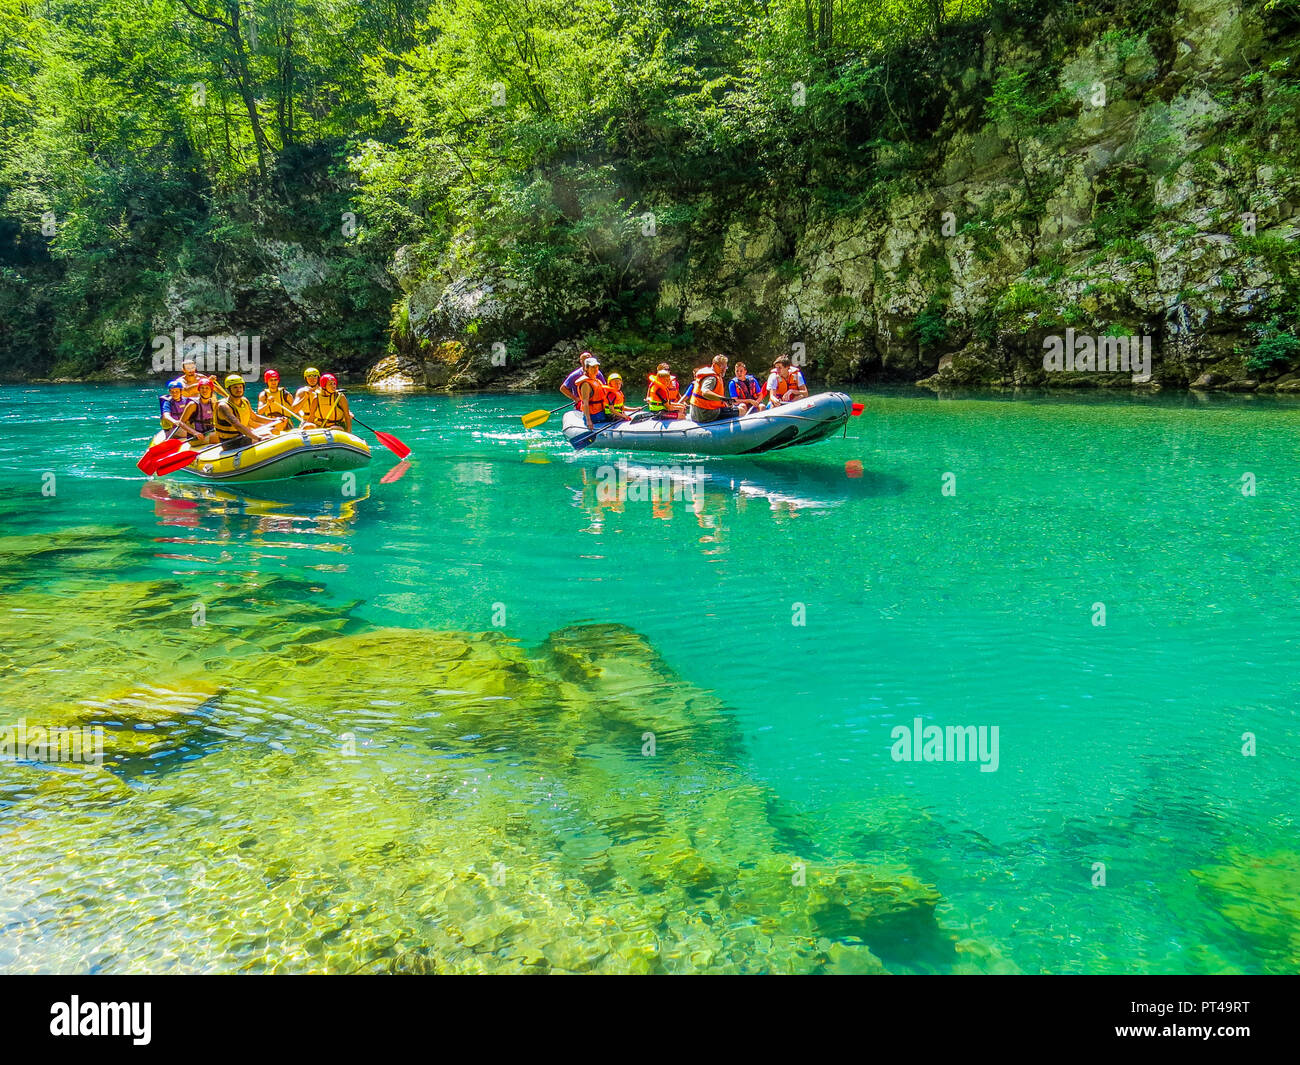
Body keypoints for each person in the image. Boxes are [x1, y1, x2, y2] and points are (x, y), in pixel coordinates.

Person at [214, 374, 279, 447]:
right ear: (228, 389)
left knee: (273, 430)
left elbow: (254, 417)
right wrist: (259, 438)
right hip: (230, 442)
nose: (239, 390)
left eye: (240, 387)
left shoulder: (244, 401)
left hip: (241, 437)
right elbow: (238, 426)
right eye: (235, 387)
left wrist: (274, 420)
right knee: (269, 435)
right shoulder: (223, 406)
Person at [574, 358, 626, 431]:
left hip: (601, 412)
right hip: (594, 415)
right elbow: (585, 402)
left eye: (596, 367)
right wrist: (589, 420)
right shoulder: (586, 384)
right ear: (586, 368)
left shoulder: (597, 381)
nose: (595, 369)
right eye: (592, 367)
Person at [688, 355, 738, 424]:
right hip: (705, 414)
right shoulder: (711, 378)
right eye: (722, 367)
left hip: (695, 414)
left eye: (725, 367)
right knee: (741, 410)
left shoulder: (712, 374)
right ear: (714, 365)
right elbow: (705, 392)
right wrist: (723, 399)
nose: (724, 369)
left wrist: (724, 402)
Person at [179, 377, 220, 444]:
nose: (204, 390)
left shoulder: (213, 403)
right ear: (199, 390)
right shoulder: (193, 404)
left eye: (207, 388)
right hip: (196, 437)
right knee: (219, 436)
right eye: (202, 388)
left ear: (211, 390)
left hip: (209, 432)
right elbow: (181, 423)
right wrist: (195, 433)